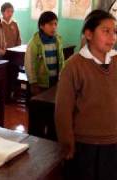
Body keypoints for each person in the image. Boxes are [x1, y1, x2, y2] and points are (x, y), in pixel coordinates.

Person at [55, 10, 117, 179]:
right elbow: (63, 110)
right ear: (89, 34)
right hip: (85, 144)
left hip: (113, 141)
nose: (112, 37)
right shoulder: (73, 67)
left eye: (115, 32)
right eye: (106, 31)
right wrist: (67, 143)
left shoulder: (116, 61)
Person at [24, 11, 64, 96]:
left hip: (55, 80)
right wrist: (33, 82)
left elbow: (61, 60)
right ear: (42, 26)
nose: (54, 27)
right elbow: (29, 64)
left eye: (55, 24)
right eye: (50, 24)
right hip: (41, 83)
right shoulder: (34, 43)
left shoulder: (58, 41)